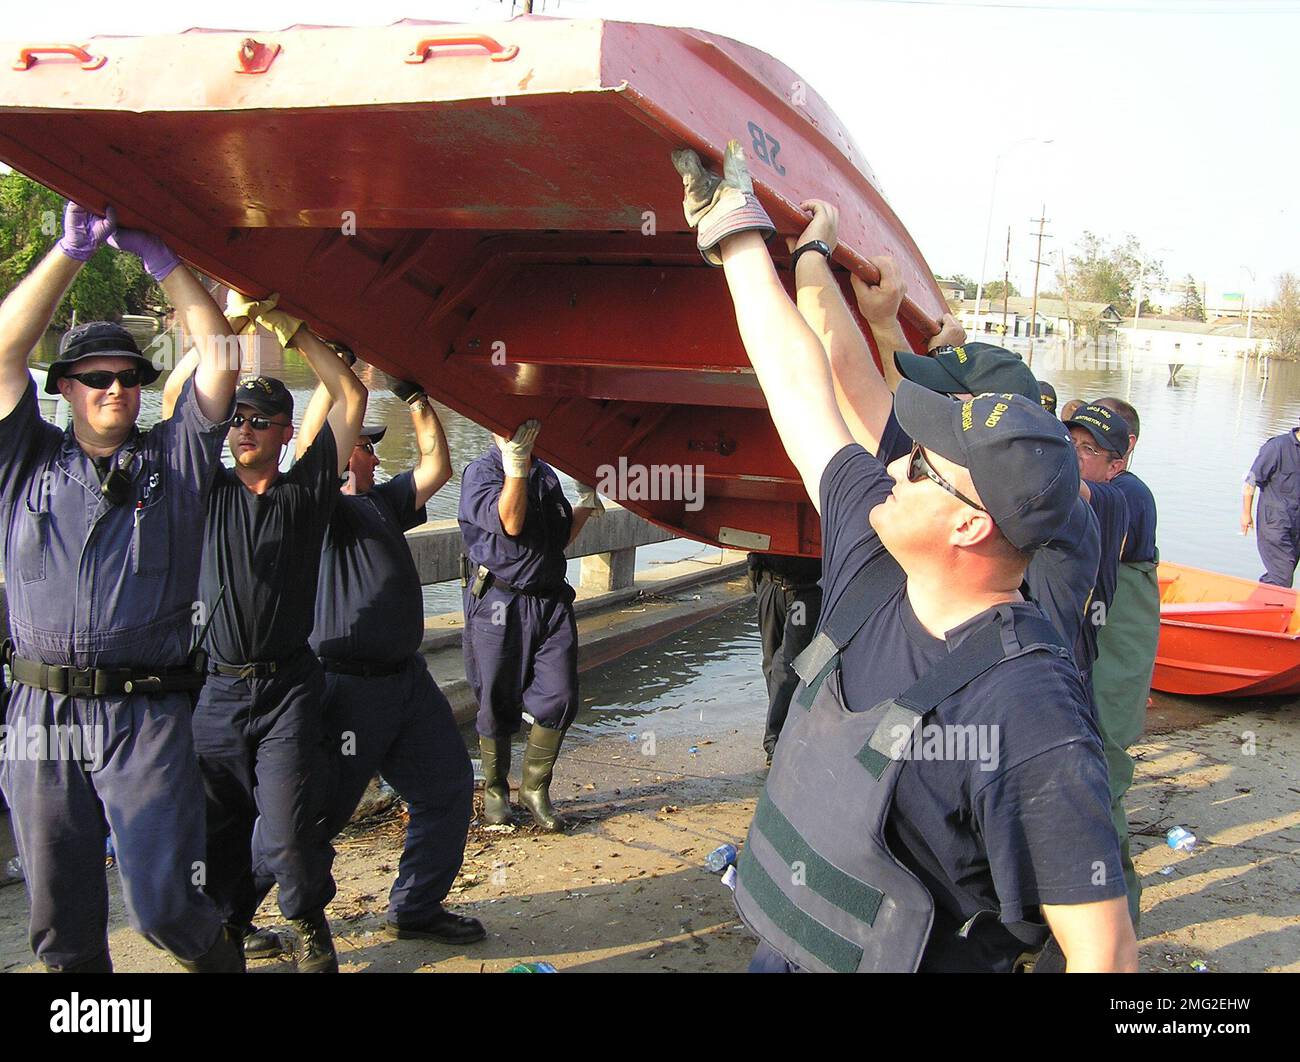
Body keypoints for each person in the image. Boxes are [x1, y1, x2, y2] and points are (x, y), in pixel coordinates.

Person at [671, 143, 1135, 972]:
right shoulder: (872, 550)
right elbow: (800, 387)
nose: (890, 465)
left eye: (919, 464)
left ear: (969, 527)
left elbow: (1105, 950)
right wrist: (736, 234)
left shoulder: (1029, 710)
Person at [0, 202, 242, 972]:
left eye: (131, 377)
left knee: (166, 902)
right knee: (60, 920)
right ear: (65, 390)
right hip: (39, 715)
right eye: (97, 378)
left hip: (145, 715)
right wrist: (68, 253)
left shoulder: (176, 463)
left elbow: (222, 358)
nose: (116, 388)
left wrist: (165, 261)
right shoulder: (24, 463)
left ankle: (218, 957)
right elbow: (2, 352)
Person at [241, 374, 484, 953]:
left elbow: (436, 467)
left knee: (447, 788)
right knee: (309, 816)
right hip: (345, 689)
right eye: (365, 445)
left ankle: (417, 907)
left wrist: (417, 398)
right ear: (339, 454)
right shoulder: (314, 510)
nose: (374, 454)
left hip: (408, 682)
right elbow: (307, 445)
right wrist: (337, 374)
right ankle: (229, 915)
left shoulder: (381, 504)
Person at [164, 294, 366, 972]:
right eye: (237, 418)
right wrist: (233, 329)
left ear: (285, 434)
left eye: (261, 421)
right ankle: (230, 928)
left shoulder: (306, 493)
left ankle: (308, 924)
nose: (244, 429)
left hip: (288, 691)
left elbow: (351, 394)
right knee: (216, 828)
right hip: (216, 693)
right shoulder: (204, 489)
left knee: (288, 827)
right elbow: (174, 397)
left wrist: (295, 330)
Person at [458, 421, 601, 831]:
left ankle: (535, 789)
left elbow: (558, 537)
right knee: (496, 698)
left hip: (550, 601)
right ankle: (495, 791)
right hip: (500, 601)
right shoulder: (481, 473)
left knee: (560, 696)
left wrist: (586, 503)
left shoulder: (546, 474)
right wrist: (515, 465)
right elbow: (511, 522)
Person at [1091, 395, 1159, 926]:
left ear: (1120, 459)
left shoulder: (1126, 495)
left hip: (1117, 658)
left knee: (1104, 780)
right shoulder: (1110, 490)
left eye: (1087, 449)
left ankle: (1119, 921)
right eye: (1069, 443)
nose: (1073, 455)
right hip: (1102, 649)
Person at [747, 552, 822, 765]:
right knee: (770, 663)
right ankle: (785, 731)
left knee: (788, 663)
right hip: (768, 584)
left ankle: (776, 740)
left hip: (804, 591)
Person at [1242, 423, 1300, 587]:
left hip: (1296, 526)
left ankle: (1262, 598)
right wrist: (1246, 513)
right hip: (1274, 524)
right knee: (1283, 575)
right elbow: (1251, 480)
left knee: (1282, 573)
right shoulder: (1276, 447)